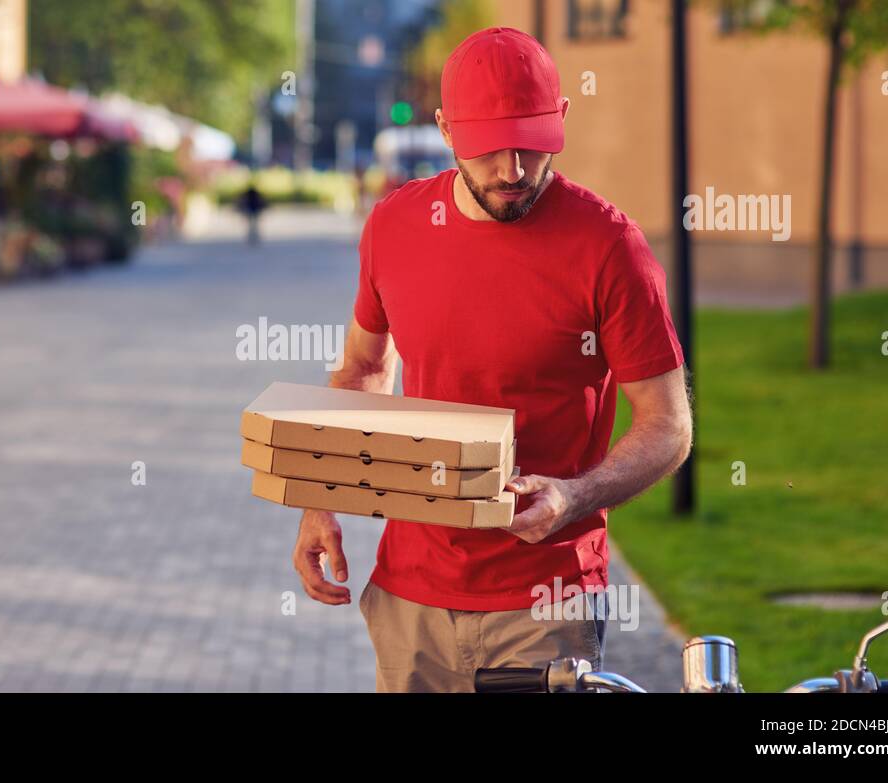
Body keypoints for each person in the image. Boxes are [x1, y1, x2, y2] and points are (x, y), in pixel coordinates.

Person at [290, 27, 693, 693]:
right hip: (408, 595)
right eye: (489, 146)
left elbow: (668, 423)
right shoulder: (394, 226)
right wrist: (320, 496)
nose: (512, 169)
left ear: (561, 119)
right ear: (446, 128)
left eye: (532, 144)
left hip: (544, 604)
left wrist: (572, 495)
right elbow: (364, 368)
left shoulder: (609, 246)